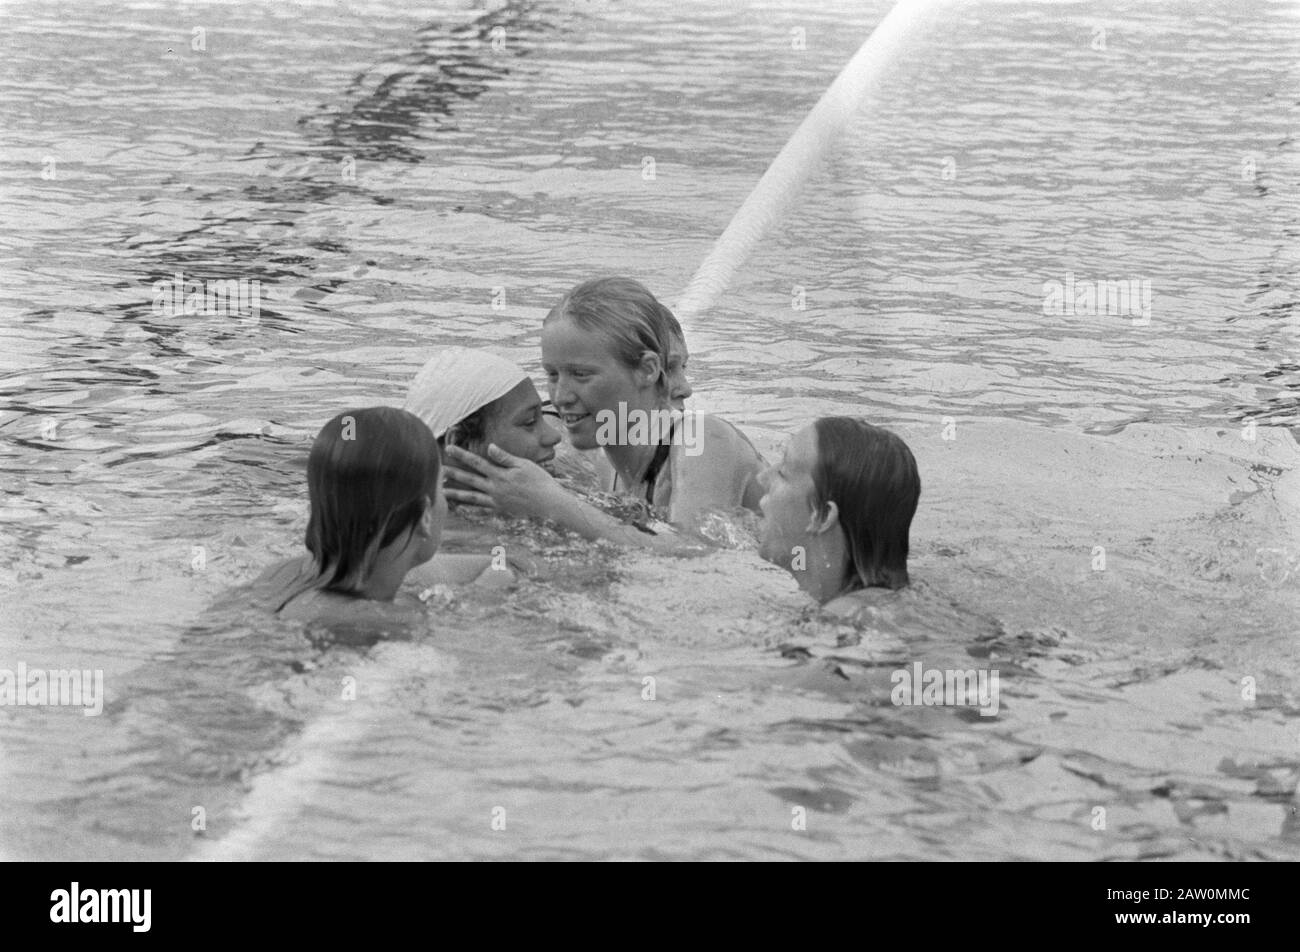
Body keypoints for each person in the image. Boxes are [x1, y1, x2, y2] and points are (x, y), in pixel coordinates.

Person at [444, 277, 763, 538]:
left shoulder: (702, 439)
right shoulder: (607, 470)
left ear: (647, 370)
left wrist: (555, 505)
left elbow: (697, 562)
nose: (561, 395)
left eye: (581, 374)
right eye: (552, 375)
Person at [251, 407, 447, 618]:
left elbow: (477, 568)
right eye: (442, 484)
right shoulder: (382, 622)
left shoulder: (279, 576)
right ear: (425, 514)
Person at [757, 417, 920, 608]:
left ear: (822, 515)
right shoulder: (888, 601)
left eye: (783, 473)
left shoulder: (846, 615)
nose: (762, 477)